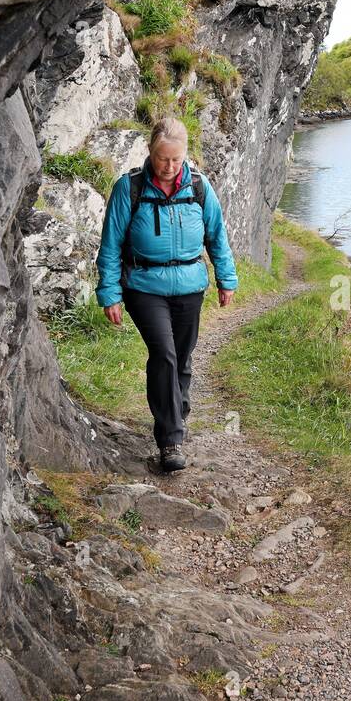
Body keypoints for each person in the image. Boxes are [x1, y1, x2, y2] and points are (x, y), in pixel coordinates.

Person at [95, 118, 239, 472]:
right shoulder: (129, 188)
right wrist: (109, 293)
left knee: (183, 357)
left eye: (176, 160)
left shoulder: (200, 187)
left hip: (190, 285)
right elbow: (111, 245)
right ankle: (171, 440)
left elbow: (217, 236)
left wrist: (226, 278)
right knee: (164, 354)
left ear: (185, 156)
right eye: (163, 159)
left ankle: (176, 410)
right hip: (143, 285)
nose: (169, 167)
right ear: (151, 152)